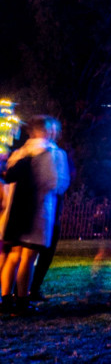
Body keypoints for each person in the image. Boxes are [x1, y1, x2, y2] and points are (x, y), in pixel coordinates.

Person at [0, 118, 70, 316]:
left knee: (13, 255)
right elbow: (56, 183)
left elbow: (8, 181)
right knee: (28, 258)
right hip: (37, 211)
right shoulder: (52, 153)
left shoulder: (19, 152)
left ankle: (6, 299)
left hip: (15, 213)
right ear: (46, 131)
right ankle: (22, 300)